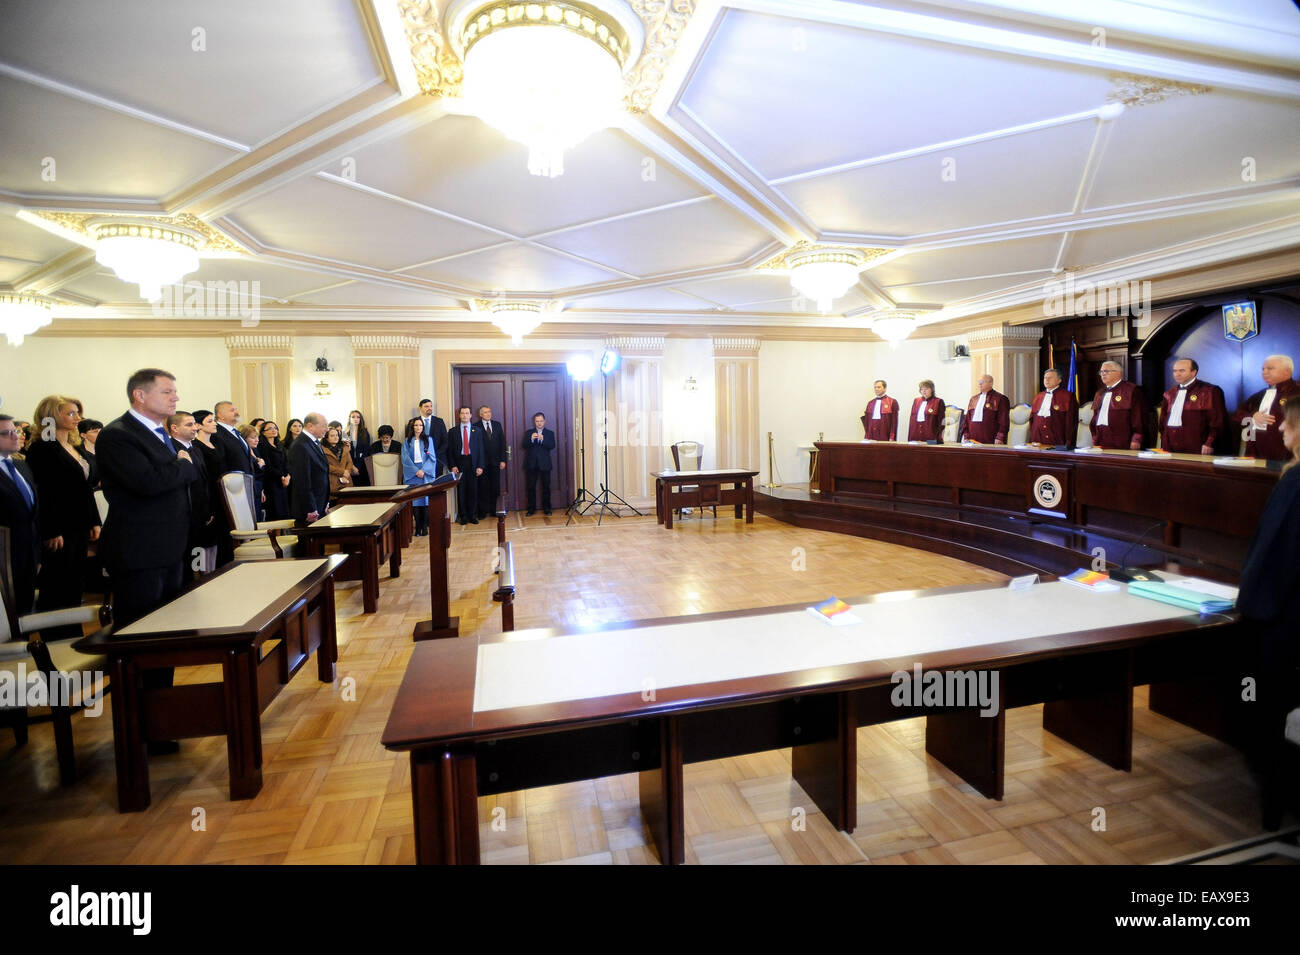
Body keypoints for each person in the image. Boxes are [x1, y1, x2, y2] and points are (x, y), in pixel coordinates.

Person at [98, 370, 197, 753]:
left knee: (165, 641)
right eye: (167, 391)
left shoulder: (159, 434)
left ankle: (159, 722)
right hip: (139, 554)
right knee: (140, 643)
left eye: (175, 390)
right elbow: (148, 483)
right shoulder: (118, 435)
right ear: (140, 395)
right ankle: (136, 729)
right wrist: (183, 465)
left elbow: (169, 478)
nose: (175, 397)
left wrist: (179, 467)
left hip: (169, 551)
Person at [1235, 398, 1300, 805]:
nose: (1281, 430)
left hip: (1285, 618)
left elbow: (1274, 553)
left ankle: (1279, 795)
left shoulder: (1295, 482)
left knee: (1263, 703)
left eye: (1289, 425)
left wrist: (1247, 608)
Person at [26, 395, 101, 638]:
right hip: (59, 526)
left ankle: (73, 635)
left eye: (77, 413)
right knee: (57, 583)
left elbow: (84, 487)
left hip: (79, 522)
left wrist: (94, 520)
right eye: (70, 413)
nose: (77, 418)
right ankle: (56, 639)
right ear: (52, 416)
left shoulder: (73, 445)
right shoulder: (42, 449)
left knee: (74, 582)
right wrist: (50, 530)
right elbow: (44, 493)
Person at [0, 414, 41, 615]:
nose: (16, 436)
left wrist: (37, 553)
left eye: (16, 431)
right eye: (6, 433)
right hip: (5, 556)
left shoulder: (21, 466)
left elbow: (34, 512)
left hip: (29, 552)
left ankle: (24, 647)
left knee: (24, 611)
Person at [168, 412, 217, 576]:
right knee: (189, 557)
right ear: (174, 428)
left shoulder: (195, 449)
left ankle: (203, 579)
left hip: (201, 510)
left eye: (195, 424)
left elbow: (204, 481)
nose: (195, 428)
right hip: (186, 511)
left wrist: (207, 509)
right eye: (189, 425)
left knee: (201, 550)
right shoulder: (171, 449)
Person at [1236, 354, 1299, 461]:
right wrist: (1252, 416)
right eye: (1263, 369)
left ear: (1287, 371)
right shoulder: (1260, 394)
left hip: (1287, 454)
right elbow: (1239, 413)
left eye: (1270, 368)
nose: (1264, 372)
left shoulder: (1296, 392)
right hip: (1256, 452)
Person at [1159, 357, 1226, 455]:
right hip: (1170, 446)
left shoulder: (1210, 391)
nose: (1177, 374)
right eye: (1175, 371)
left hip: (1197, 445)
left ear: (1194, 372)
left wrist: (1210, 443)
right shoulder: (1169, 393)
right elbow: (1163, 421)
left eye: (1182, 370)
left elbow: (1217, 421)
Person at [1089, 361, 1148, 450]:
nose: (1103, 374)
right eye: (1101, 372)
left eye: (1106, 371)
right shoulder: (1099, 393)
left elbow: (1139, 417)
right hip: (1101, 440)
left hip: (1123, 441)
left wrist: (1137, 439)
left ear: (1118, 373)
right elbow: (1095, 418)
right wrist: (1094, 437)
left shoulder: (1132, 390)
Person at [288, 412, 330, 523]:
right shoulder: (300, 445)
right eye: (324, 425)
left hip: (319, 503)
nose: (327, 429)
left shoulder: (314, 442)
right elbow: (302, 480)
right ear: (310, 426)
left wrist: (325, 501)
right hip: (309, 509)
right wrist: (310, 508)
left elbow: (321, 473)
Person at [401, 417, 438, 536]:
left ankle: (425, 527)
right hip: (413, 475)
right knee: (416, 502)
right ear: (412, 427)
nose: (418, 428)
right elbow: (405, 459)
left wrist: (423, 470)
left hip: (425, 474)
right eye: (416, 425)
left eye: (420, 425)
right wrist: (415, 471)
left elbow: (432, 458)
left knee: (425, 501)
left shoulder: (429, 440)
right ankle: (417, 527)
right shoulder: (407, 441)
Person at [449, 406, 485, 524]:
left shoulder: (477, 431)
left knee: (473, 490)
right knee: (461, 490)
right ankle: (463, 516)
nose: (465, 415)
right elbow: (450, 450)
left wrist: (480, 466)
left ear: (470, 415)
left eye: (467, 413)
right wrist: (453, 465)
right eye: (462, 413)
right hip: (460, 463)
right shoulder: (453, 431)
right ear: (459, 415)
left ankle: (472, 515)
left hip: (473, 462)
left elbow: (481, 450)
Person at [1029, 368, 1079, 448]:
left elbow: (1071, 421)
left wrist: (1069, 442)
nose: (1047, 380)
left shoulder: (1068, 396)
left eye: (1050, 378)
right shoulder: (1038, 396)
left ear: (1059, 380)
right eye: (1045, 378)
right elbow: (1032, 420)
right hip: (1038, 440)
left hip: (1057, 440)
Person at [521, 411, 556, 516]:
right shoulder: (528, 432)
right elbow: (523, 445)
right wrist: (531, 439)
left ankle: (547, 509)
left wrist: (543, 440)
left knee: (546, 487)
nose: (539, 423)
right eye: (537, 421)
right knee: (531, 487)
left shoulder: (550, 433)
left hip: (545, 464)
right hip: (531, 464)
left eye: (541, 421)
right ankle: (531, 509)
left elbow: (552, 446)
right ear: (534, 422)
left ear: (544, 421)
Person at [960, 374, 1009, 444]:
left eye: (982, 382)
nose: (980, 383)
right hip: (972, 440)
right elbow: (967, 420)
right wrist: (966, 436)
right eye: (979, 381)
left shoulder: (1000, 399)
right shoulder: (973, 399)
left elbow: (1004, 421)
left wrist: (1000, 437)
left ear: (991, 383)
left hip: (992, 440)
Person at [477, 405, 507, 518]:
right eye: (485, 412)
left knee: (495, 487)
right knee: (482, 487)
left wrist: (503, 460)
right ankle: (483, 511)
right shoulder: (476, 426)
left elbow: (502, 443)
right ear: (480, 415)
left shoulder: (497, 425)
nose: (488, 414)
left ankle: (495, 510)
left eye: (489, 411)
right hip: (482, 463)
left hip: (495, 462)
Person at [212, 400, 254, 475]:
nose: (236, 413)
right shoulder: (216, 433)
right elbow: (220, 463)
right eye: (232, 410)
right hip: (232, 482)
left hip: (246, 479)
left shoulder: (235, 432)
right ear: (220, 415)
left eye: (236, 409)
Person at [259, 420, 290, 521]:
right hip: (272, 482)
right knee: (275, 512)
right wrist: (282, 477)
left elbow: (286, 463)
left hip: (283, 482)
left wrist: (288, 476)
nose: (273, 430)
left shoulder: (280, 446)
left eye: (275, 428)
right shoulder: (262, 446)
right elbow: (268, 466)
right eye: (270, 428)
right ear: (263, 432)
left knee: (284, 512)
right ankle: (275, 535)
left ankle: (282, 535)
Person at [239, 423, 266, 520]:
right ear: (244, 438)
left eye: (257, 437)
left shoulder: (255, 451)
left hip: (258, 489)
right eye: (253, 437)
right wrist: (260, 465)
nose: (257, 440)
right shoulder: (244, 453)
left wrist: (262, 490)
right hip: (250, 491)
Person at [322, 424, 353, 505]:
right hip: (332, 481)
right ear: (326, 438)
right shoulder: (322, 449)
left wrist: (347, 473)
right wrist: (342, 472)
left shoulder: (344, 447)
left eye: (337, 435)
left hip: (346, 480)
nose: (336, 437)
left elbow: (349, 462)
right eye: (332, 436)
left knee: (348, 506)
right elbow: (325, 465)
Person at [417, 398, 448, 473]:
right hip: (420, 460)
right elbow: (410, 441)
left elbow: (445, 441)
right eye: (426, 406)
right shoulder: (414, 422)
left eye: (431, 406)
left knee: (436, 483)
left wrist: (435, 454)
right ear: (420, 408)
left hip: (437, 459)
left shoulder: (439, 421)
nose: (429, 408)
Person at [347, 410, 371, 488]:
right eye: (353, 417)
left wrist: (357, 466)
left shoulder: (364, 432)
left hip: (362, 465)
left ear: (361, 419)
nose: (355, 419)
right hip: (349, 465)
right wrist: (352, 466)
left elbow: (366, 451)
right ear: (349, 419)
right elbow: (346, 453)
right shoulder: (345, 434)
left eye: (358, 417)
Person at [78, 418, 103, 489]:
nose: (100, 433)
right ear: (83, 435)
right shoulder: (79, 453)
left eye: (101, 431)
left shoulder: (105, 449)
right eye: (95, 431)